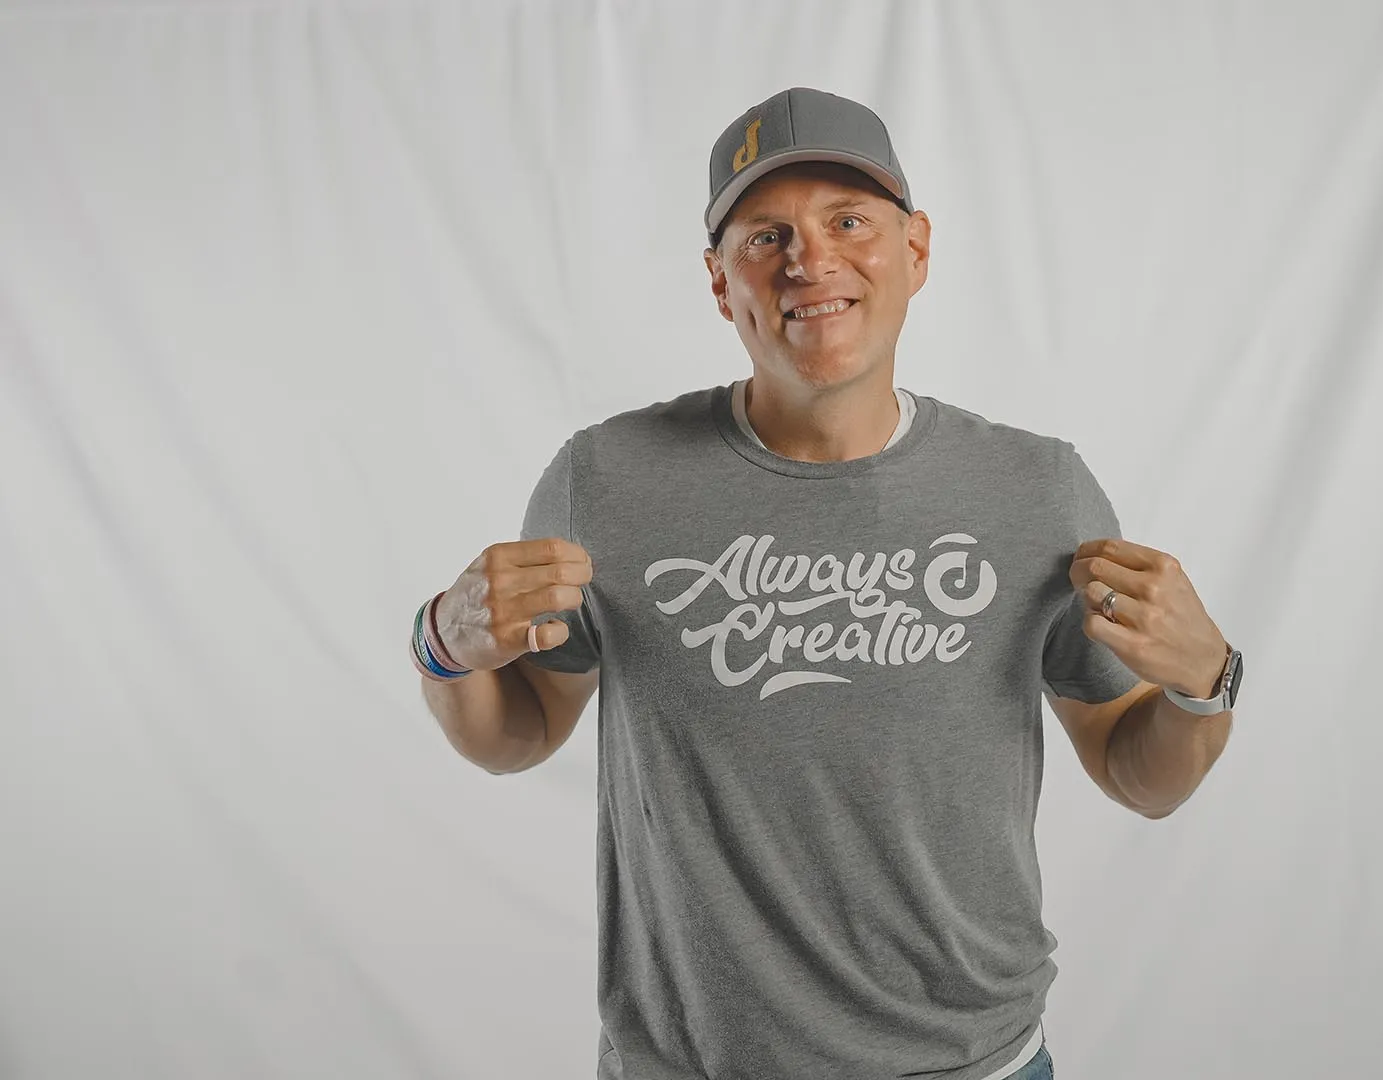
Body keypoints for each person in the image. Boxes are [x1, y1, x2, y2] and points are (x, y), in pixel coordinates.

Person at [412, 87, 1244, 1080]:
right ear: (722, 284)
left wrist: (1206, 685)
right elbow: (519, 733)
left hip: (972, 1064)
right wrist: (442, 647)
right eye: (766, 236)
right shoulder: (608, 480)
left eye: (847, 221)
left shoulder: (1036, 490)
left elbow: (1133, 769)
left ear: (917, 250)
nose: (811, 260)